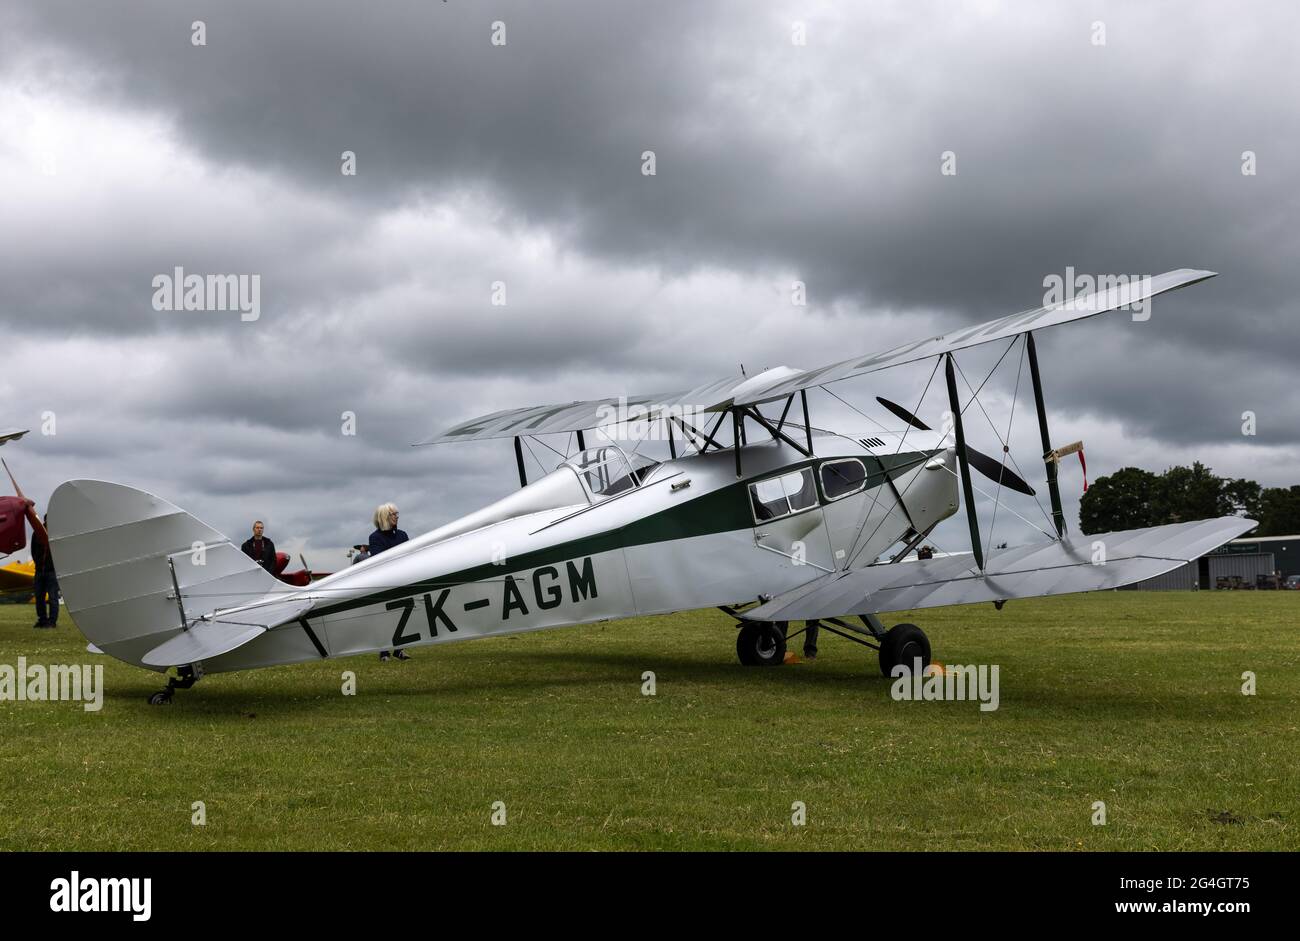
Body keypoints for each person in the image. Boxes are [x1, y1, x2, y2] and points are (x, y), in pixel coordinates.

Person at [370, 503, 410, 662]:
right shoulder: (375, 537)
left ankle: (399, 650)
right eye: (394, 514)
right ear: (385, 517)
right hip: (385, 582)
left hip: (403, 579)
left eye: (397, 513)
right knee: (386, 617)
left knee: (403, 614)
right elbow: (379, 559)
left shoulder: (402, 534)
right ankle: (384, 652)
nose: (397, 516)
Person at [29, 508, 57, 628]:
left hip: (52, 572)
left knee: (52, 598)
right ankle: (42, 620)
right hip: (39, 571)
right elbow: (33, 550)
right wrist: (38, 564)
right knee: (39, 597)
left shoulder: (57, 533)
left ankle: (52, 622)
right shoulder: (37, 533)